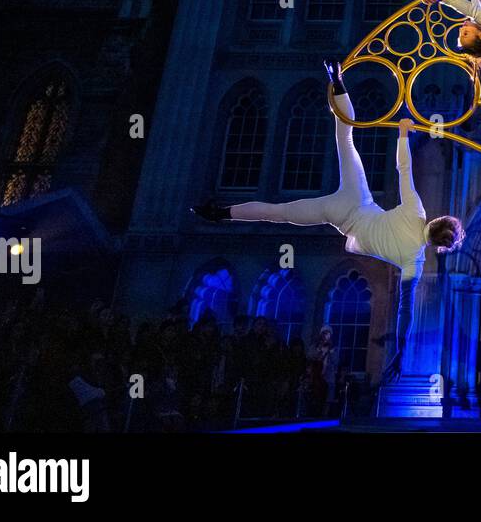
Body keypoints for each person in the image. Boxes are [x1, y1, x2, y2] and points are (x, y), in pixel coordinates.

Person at [193, 60, 464, 381]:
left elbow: (403, 169)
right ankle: (222, 214)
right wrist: (400, 350)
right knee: (278, 214)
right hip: (346, 217)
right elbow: (405, 312)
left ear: (435, 222)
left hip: (356, 199)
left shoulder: (416, 212)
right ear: (438, 246)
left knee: (344, 138)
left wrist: (403, 136)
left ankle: (338, 82)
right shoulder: (413, 262)